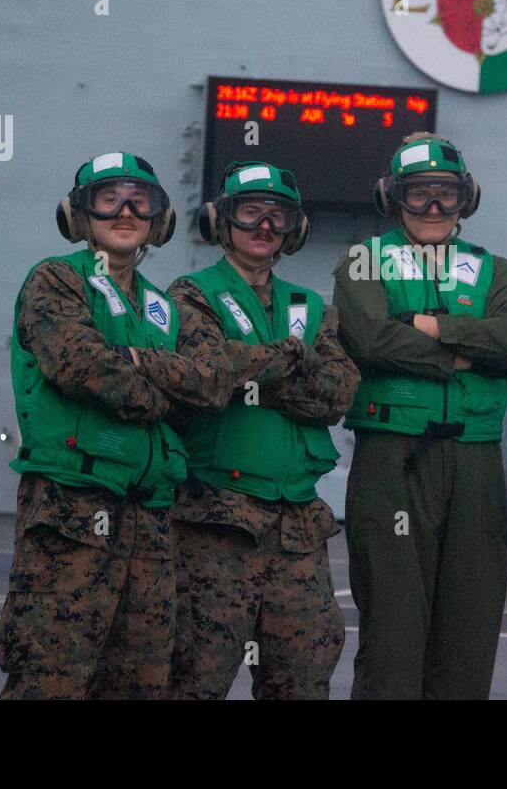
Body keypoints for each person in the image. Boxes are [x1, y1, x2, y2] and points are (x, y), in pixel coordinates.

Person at [0, 152, 235, 699]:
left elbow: (214, 383)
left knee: (140, 682)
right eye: (109, 200)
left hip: (149, 518)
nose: (126, 212)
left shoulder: (165, 306)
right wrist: (165, 392)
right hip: (73, 507)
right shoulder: (56, 280)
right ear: (79, 216)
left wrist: (136, 361)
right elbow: (81, 365)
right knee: (50, 678)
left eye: (139, 201)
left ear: (159, 219)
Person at [333, 132, 507, 699]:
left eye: (446, 193)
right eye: (418, 192)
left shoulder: (497, 271)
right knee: (393, 636)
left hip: (476, 464)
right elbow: (371, 339)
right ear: (392, 197)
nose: (432, 206)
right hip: (391, 459)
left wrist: (427, 326)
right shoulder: (363, 261)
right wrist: (468, 355)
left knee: (469, 633)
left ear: (466, 198)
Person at [165, 160, 359, 699]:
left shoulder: (310, 304)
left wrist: (254, 370)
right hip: (215, 522)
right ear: (221, 222)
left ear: (295, 229)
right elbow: (208, 374)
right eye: (250, 212)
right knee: (196, 678)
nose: (265, 226)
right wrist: (298, 361)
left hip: (296, 523)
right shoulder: (190, 296)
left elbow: (339, 393)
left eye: (278, 215)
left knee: (303, 677)